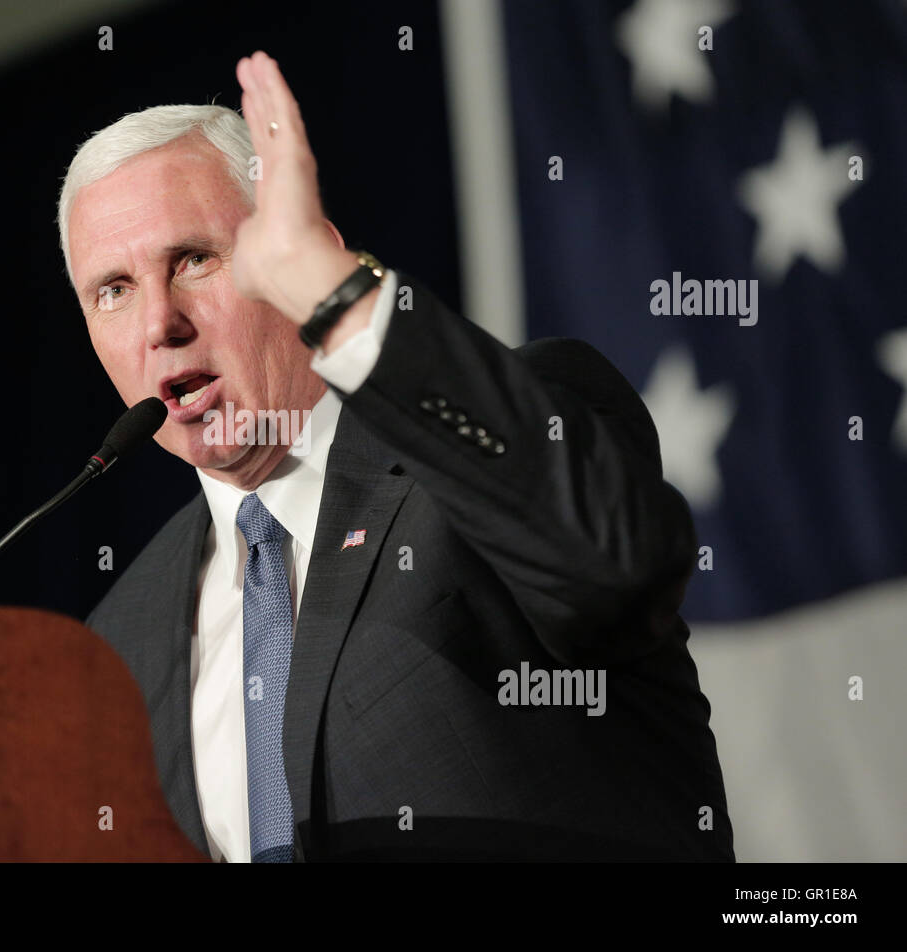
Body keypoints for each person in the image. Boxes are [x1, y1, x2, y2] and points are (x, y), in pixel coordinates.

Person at [60, 51, 733, 862]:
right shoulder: (114, 648)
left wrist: (334, 294)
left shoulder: (483, 447)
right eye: (113, 290)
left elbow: (616, 566)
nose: (158, 322)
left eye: (194, 258)